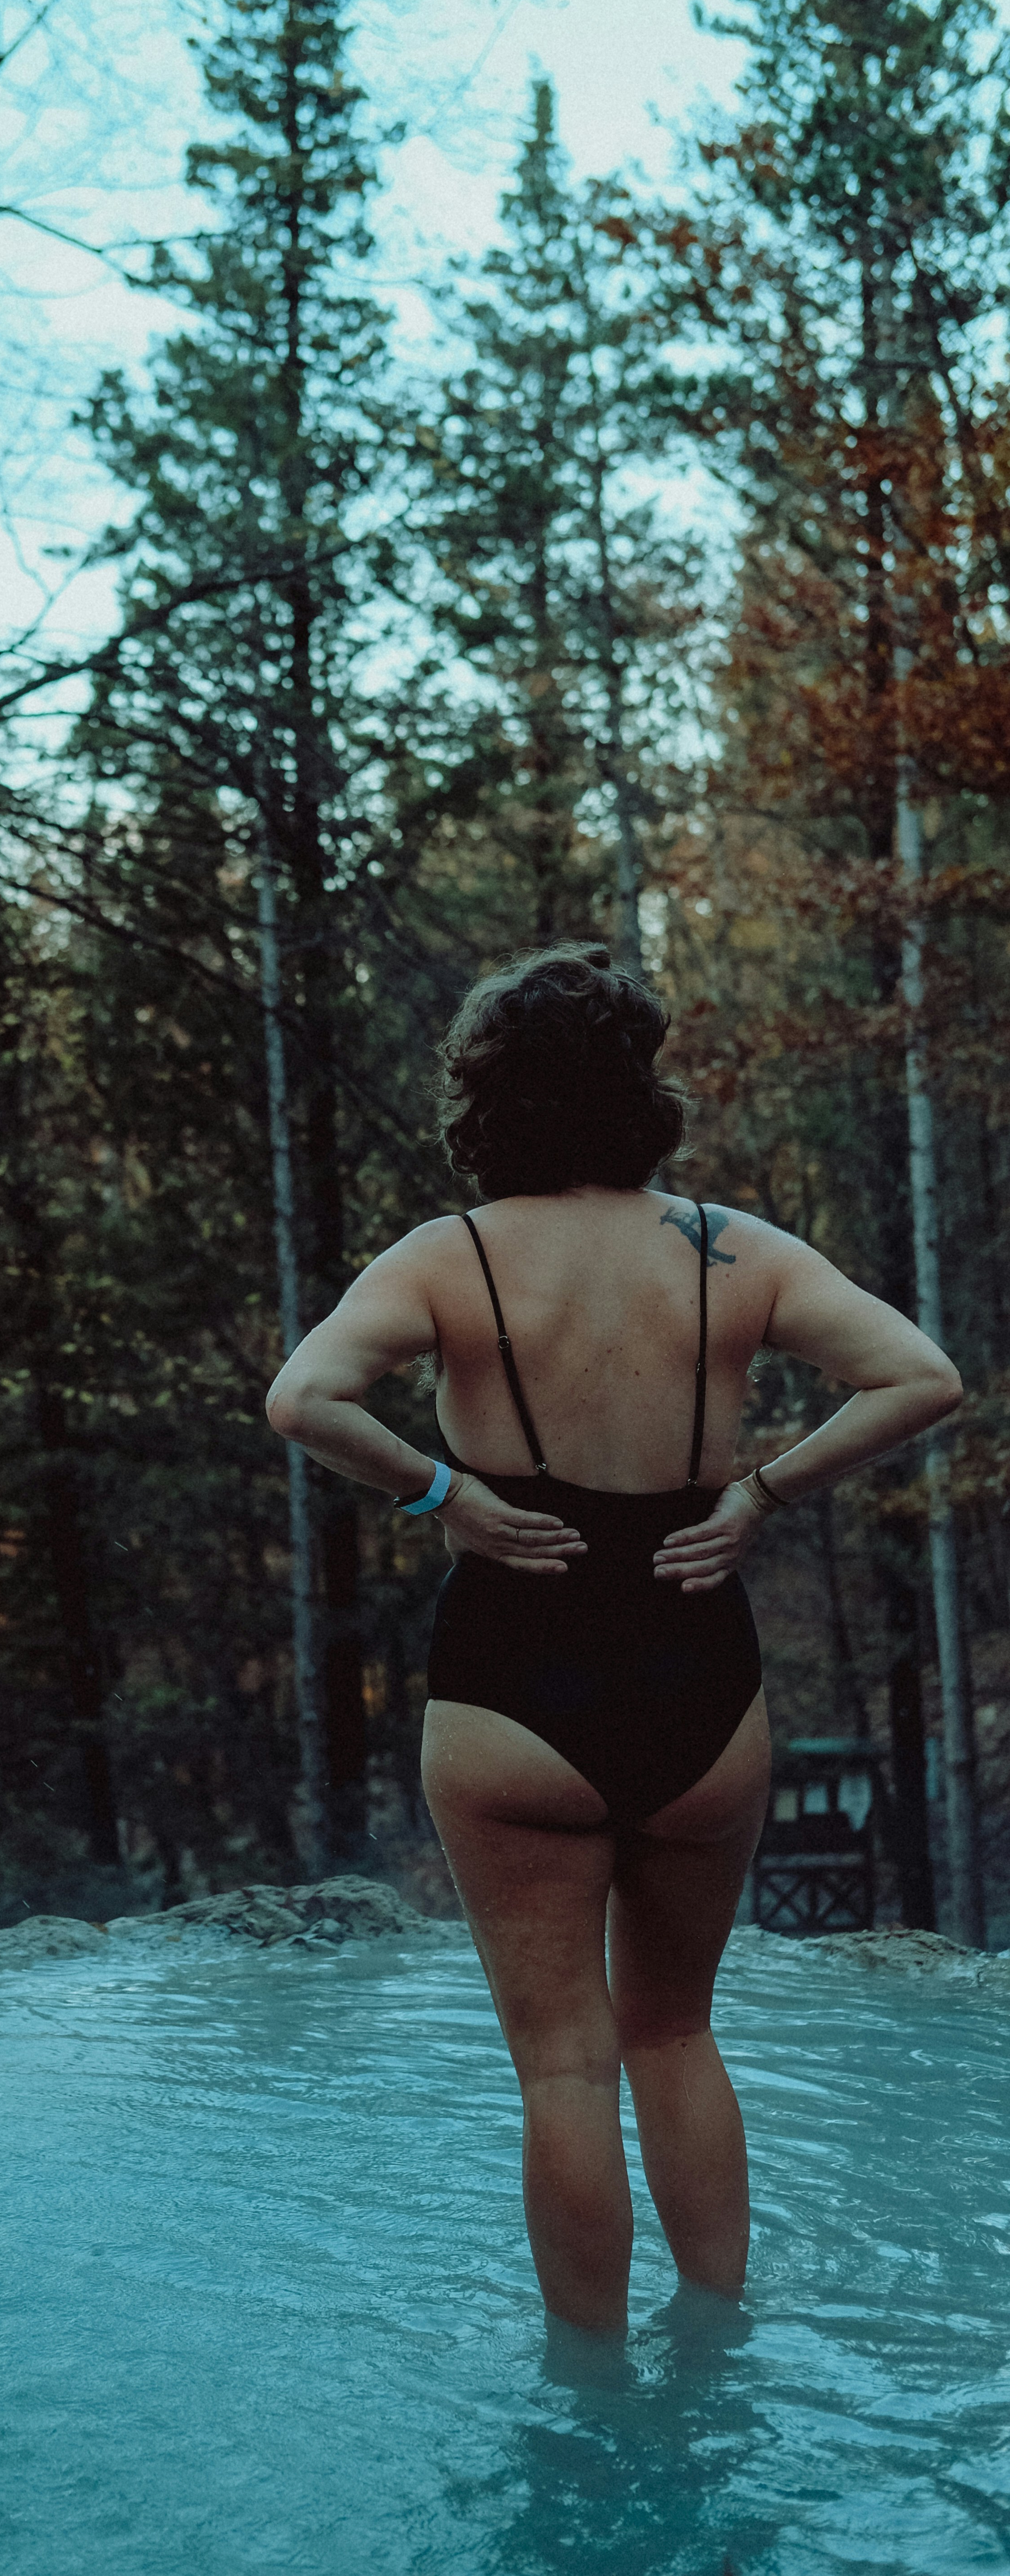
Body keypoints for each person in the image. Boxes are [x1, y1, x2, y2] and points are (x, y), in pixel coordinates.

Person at [265, 943, 962, 2337]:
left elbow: (305, 1399)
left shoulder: (450, 1258)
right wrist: (759, 1495)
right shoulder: (731, 1248)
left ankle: (589, 2404)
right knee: (677, 2033)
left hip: (511, 1683)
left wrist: (445, 1496)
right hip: (701, 1677)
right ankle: (716, 2350)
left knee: (565, 2071)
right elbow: (921, 1377)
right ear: (640, 1089)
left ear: (492, 1099)